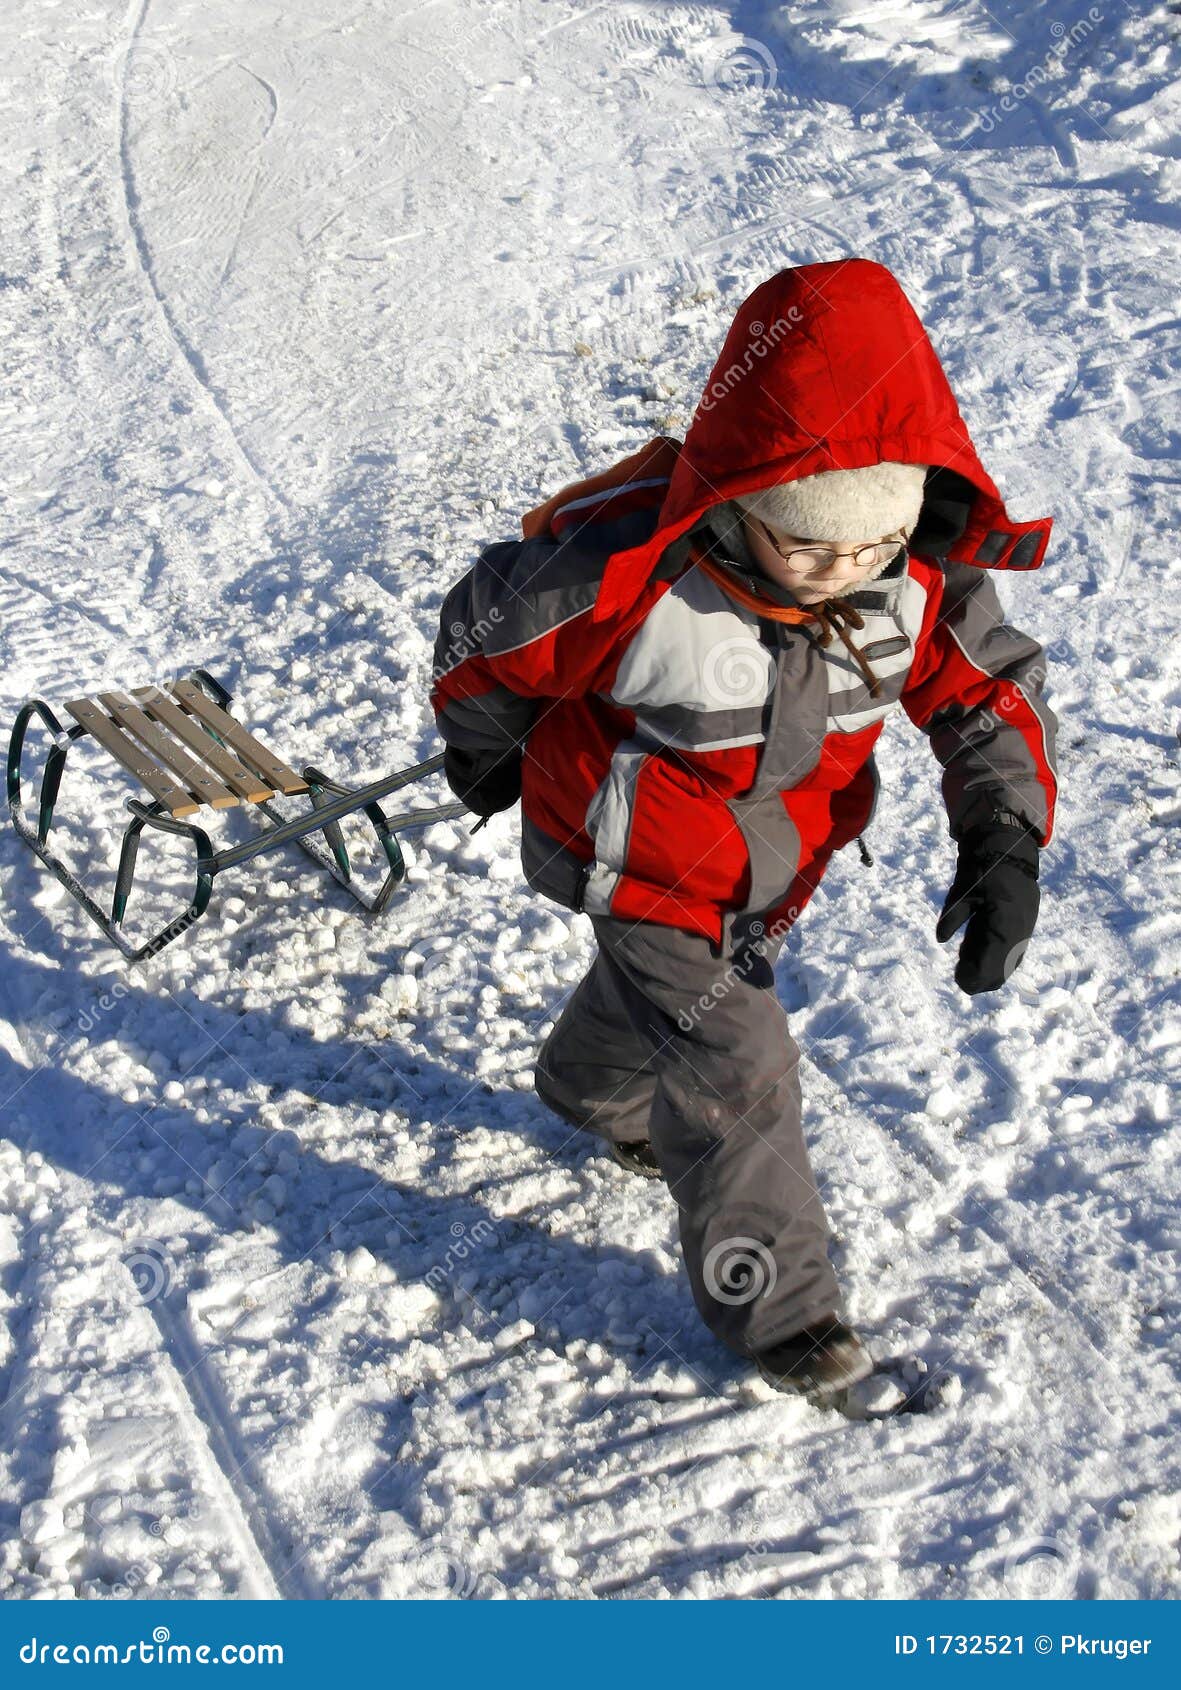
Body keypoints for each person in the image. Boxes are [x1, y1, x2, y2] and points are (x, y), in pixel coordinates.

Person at [430, 257, 1057, 1408]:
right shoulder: (635, 568)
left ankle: (587, 1086)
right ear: (742, 499)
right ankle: (778, 1309)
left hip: (763, 860)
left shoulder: (911, 580)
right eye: (807, 549)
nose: (841, 576)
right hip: (636, 853)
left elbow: (985, 698)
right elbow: (491, 630)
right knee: (737, 1056)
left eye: (870, 548)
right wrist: (482, 741)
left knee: (670, 1006)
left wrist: (1002, 835)